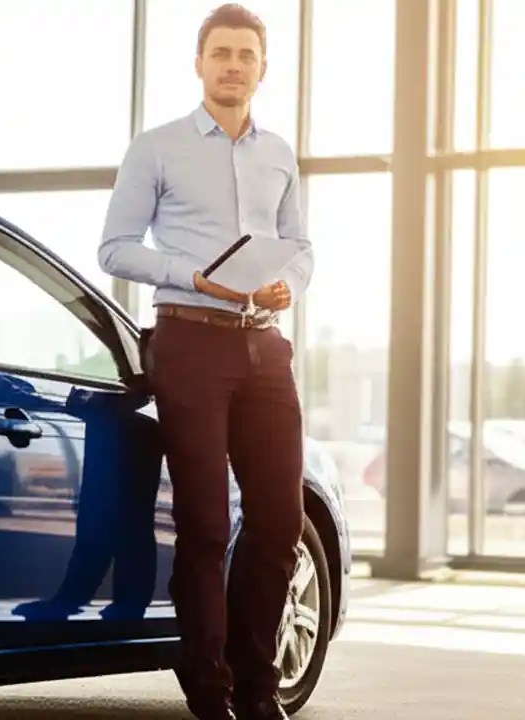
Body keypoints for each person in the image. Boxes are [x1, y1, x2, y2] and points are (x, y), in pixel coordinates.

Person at [98, 4, 312, 720]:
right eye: (219, 53)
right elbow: (115, 248)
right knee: (206, 522)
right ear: (198, 62)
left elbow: (301, 246)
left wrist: (290, 283)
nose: (232, 65)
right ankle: (211, 691)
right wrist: (194, 276)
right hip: (189, 339)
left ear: (262, 67)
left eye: (245, 54)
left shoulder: (279, 153)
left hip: (264, 344)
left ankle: (259, 685)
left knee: (280, 520)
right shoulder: (156, 147)